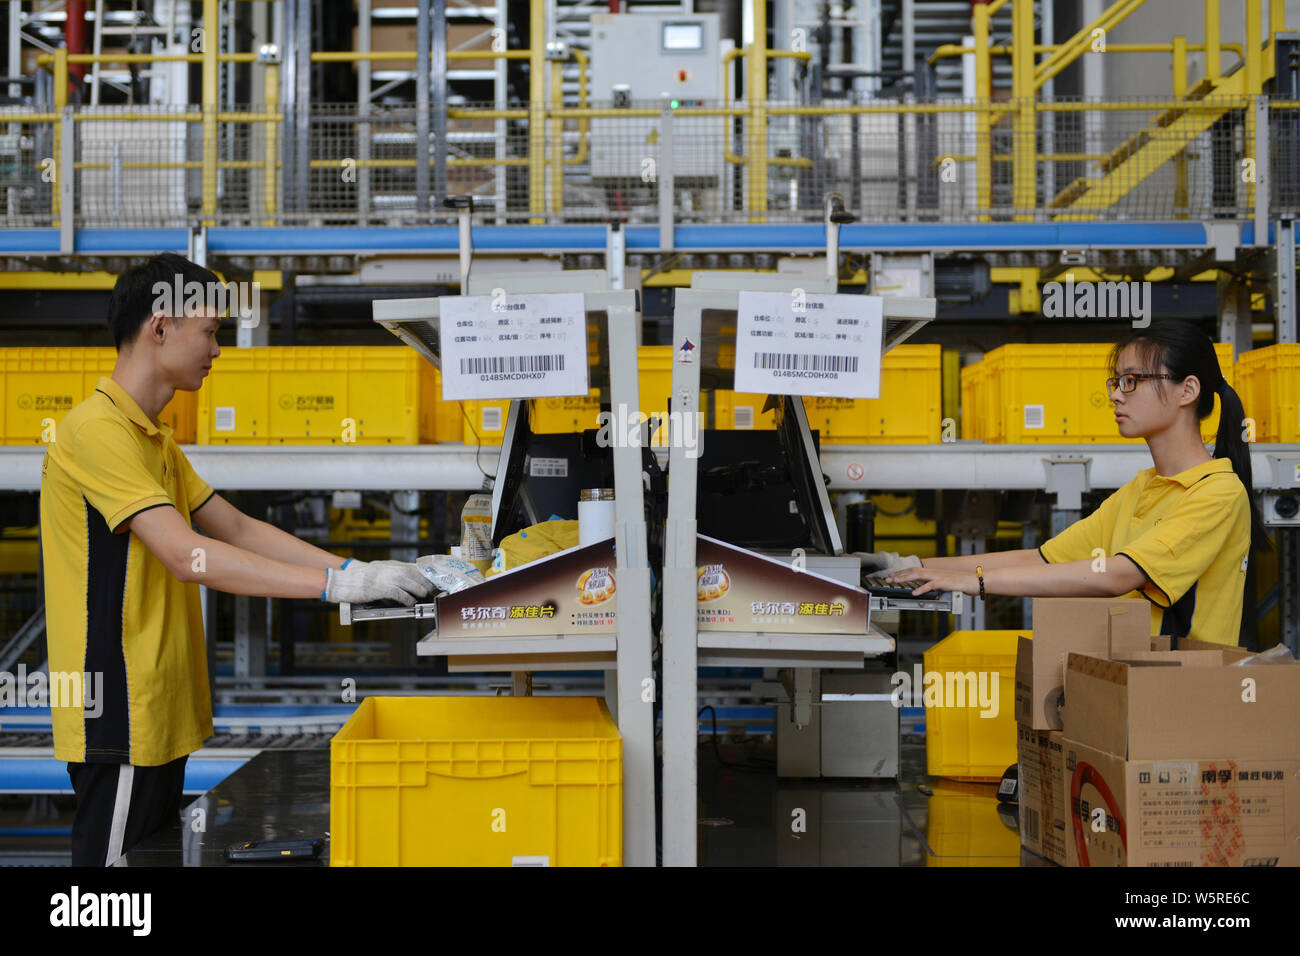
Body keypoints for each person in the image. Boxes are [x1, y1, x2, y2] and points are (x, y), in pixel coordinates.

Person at [39, 253, 436, 866]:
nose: (217, 349)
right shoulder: (96, 432)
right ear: (161, 325)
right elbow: (186, 555)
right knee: (108, 895)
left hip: (158, 712)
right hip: (118, 718)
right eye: (212, 331)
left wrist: (358, 573)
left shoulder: (153, 438)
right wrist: (332, 586)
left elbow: (237, 528)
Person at [872, 321, 1270, 646]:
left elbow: (1119, 575)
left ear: (1188, 390)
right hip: (1136, 680)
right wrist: (910, 566)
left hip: (1183, 694)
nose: (1116, 395)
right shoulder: (1144, 488)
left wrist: (976, 582)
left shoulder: (1216, 492)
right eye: (1116, 382)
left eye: (1132, 381)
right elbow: (1044, 559)